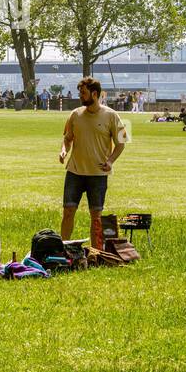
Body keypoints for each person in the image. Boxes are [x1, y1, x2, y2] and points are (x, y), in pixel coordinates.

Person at [59, 76, 126, 248]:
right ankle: (62, 249)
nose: (80, 96)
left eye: (83, 93)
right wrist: (64, 150)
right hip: (75, 172)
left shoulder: (112, 115)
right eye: (80, 93)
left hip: (98, 174)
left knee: (96, 215)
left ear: (94, 94)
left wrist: (111, 161)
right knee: (68, 211)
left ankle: (96, 253)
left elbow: (121, 143)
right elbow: (67, 138)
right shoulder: (75, 115)